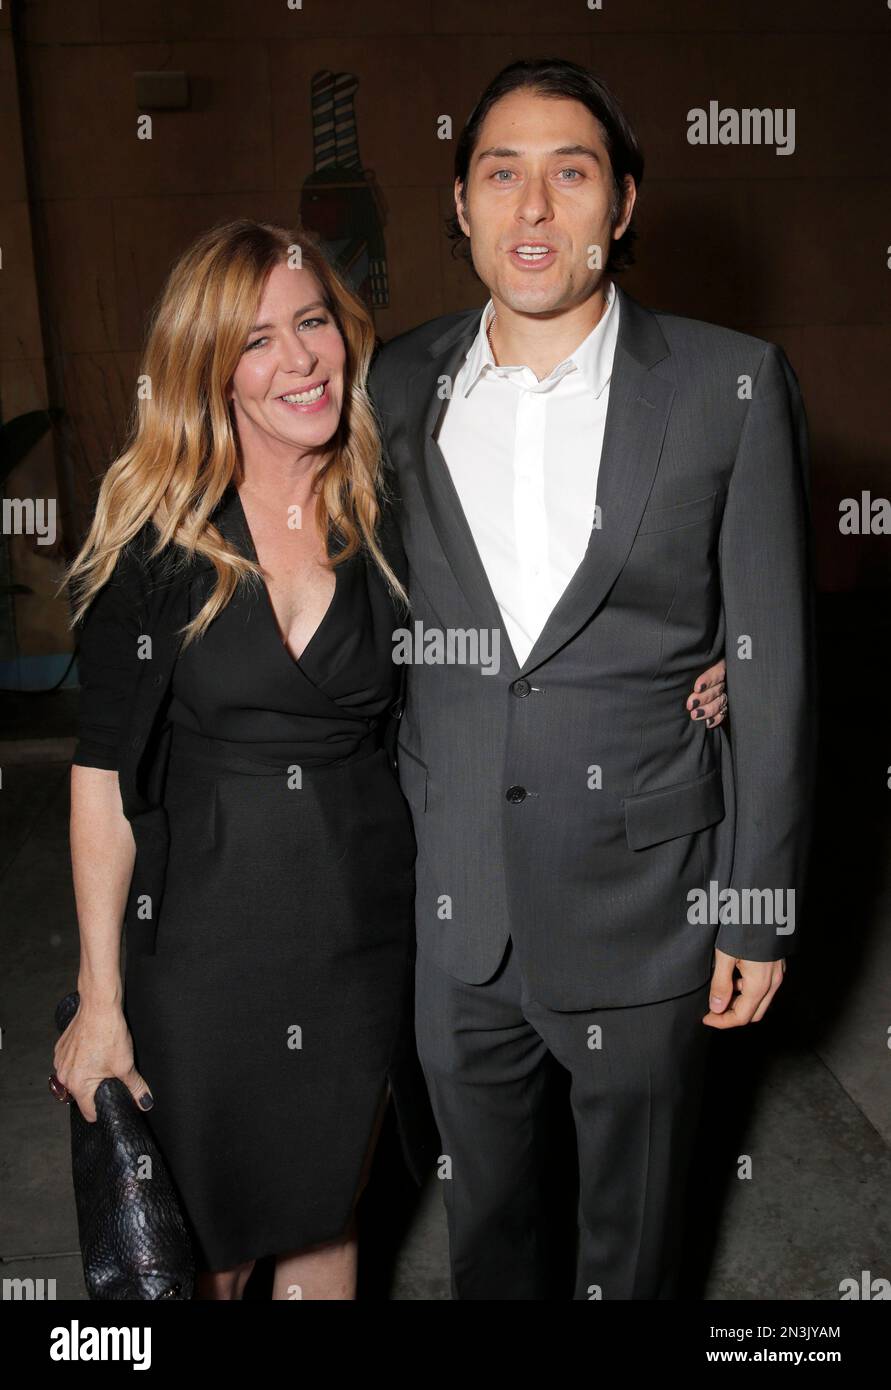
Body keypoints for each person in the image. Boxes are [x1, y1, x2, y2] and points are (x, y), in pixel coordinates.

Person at [367, 58, 816, 1299]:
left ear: (621, 204)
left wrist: (758, 906)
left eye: (571, 174)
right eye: (501, 174)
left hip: (650, 902)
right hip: (454, 909)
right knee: (488, 1242)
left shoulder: (731, 384)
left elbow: (774, 658)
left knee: (637, 1246)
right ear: (460, 204)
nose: (532, 210)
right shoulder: (394, 383)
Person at [52, 219, 437, 1301]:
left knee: (326, 1219)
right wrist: (99, 996)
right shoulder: (160, 532)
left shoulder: (388, 507)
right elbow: (99, 776)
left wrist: (688, 668)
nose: (301, 359)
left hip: (361, 929)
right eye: (257, 339)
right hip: (200, 945)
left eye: (313, 321)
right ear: (208, 366)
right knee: (207, 1252)